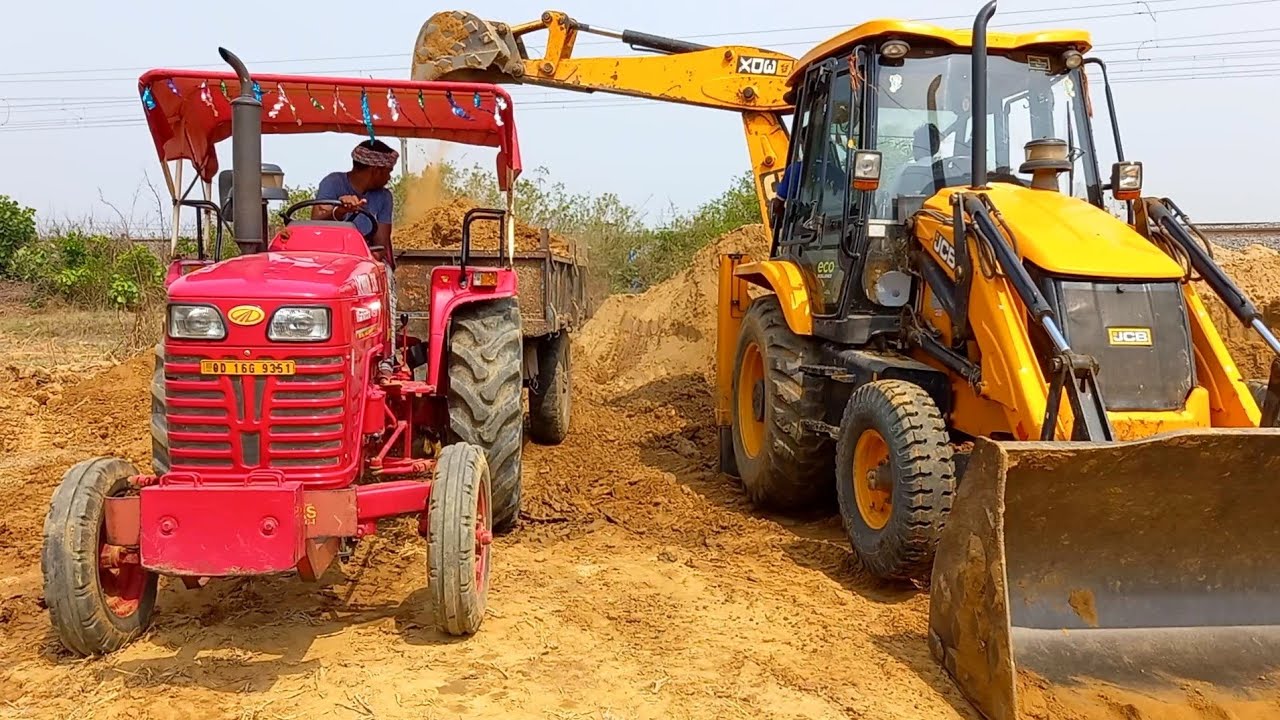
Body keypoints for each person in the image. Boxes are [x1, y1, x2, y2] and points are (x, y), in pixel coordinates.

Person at [313, 139, 398, 260]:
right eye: (388, 172)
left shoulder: (384, 197)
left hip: (364, 260)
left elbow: (381, 246)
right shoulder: (332, 182)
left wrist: (368, 260)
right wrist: (340, 211)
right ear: (375, 170)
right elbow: (316, 222)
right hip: (329, 257)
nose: (389, 177)